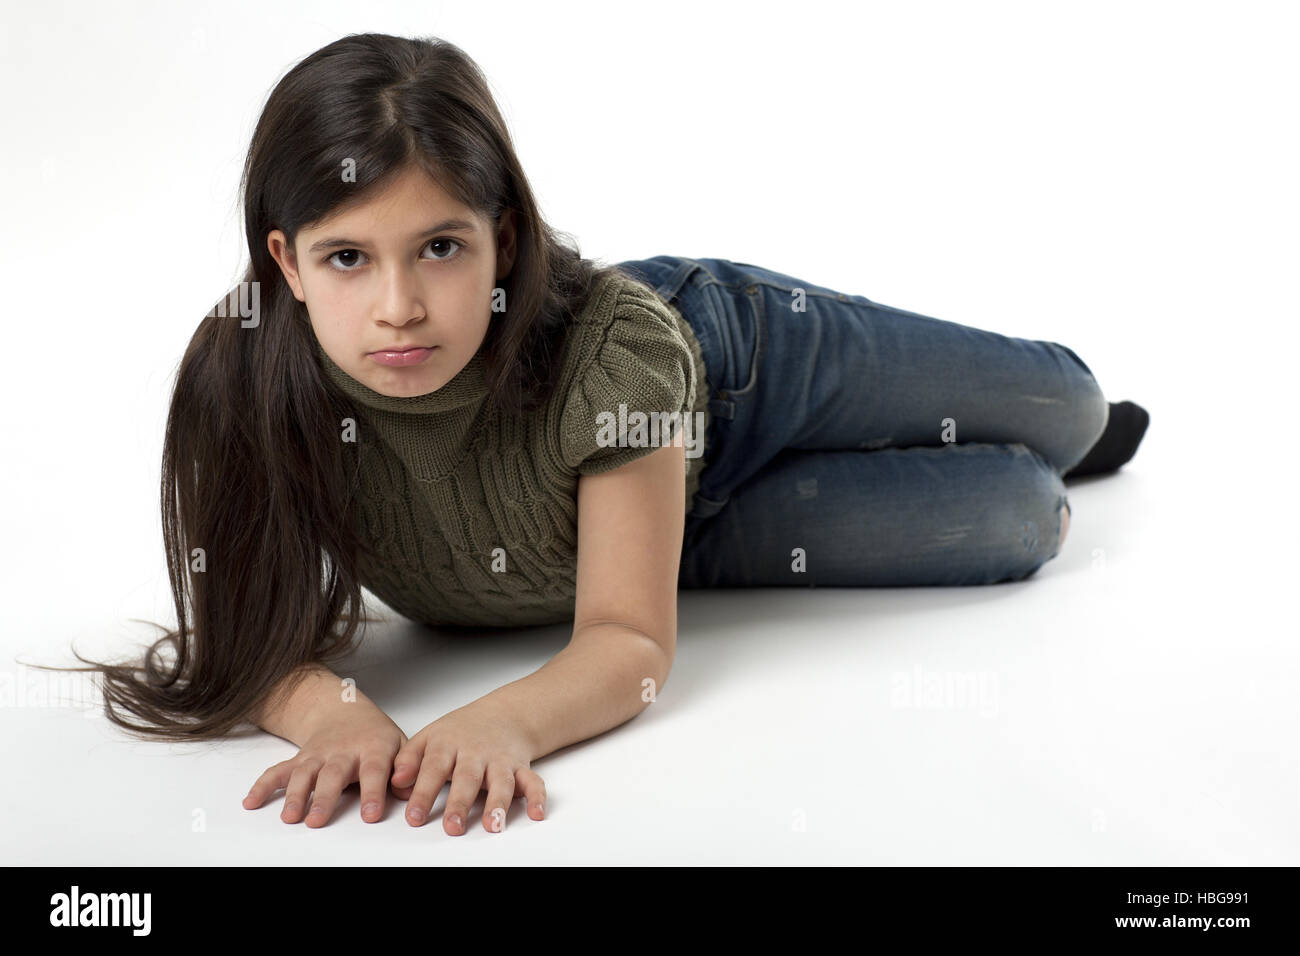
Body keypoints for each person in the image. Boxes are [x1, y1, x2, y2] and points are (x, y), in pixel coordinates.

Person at [43, 32, 1148, 836]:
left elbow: (630, 647)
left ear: (503, 239)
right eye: (347, 257)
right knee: (1025, 516)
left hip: (737, 371)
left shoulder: (609, 347)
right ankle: (1008, 479)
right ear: (284, 262)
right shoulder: (241, 380)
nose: (397, 306)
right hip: (669, 526)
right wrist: (335, 717)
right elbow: (240, 644)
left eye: (440, 247)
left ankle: (1024, 426)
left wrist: (504, 722)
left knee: (1075, 412)